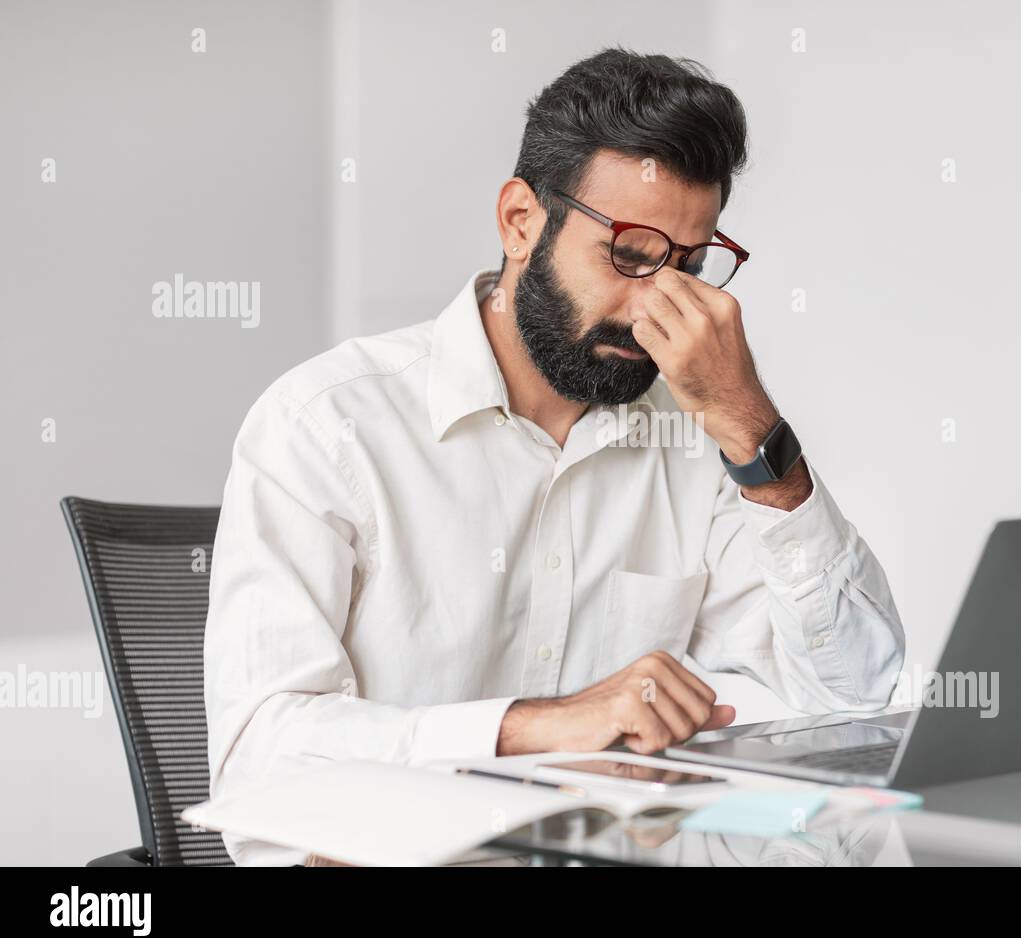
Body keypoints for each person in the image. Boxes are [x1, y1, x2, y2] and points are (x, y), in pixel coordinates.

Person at [204, 47, 904, 865]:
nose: (658, 305)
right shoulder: (326, 425)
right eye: (632, 254)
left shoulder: (696, 439)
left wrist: (750, 426)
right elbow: (258, 757)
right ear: (520, 222)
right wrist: (536, 726)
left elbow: (855, 709)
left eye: (692, 265)